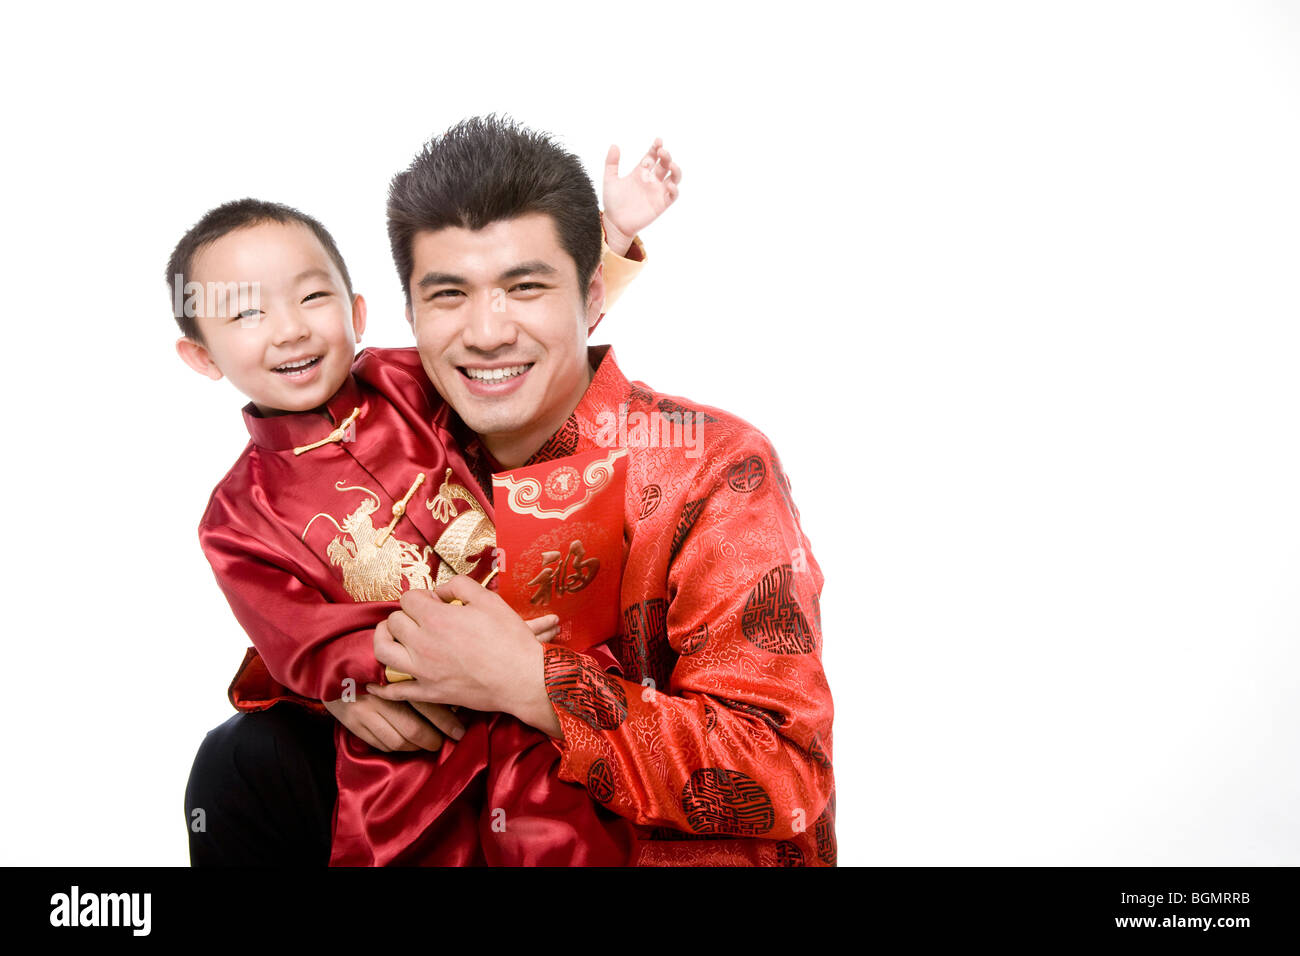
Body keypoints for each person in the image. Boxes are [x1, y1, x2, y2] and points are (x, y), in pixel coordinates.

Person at [178, 138, 681, 865]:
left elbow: (523, 342)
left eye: (312, 297)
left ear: (356, 311)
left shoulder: (412, 382)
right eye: (247, 315)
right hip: (417, 736)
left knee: (568, 831)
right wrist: (379, 672)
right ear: (201, 355)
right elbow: (298, 640)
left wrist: (614, 233)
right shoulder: (237, 515)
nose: (290, 329)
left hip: (546, 669)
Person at [366, 115, 835, 865]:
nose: (485, 332)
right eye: (449, 294)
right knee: (250, 758)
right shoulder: (403, 456)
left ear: (591, 298)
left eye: (525, 287)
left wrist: (535, 684)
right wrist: (344, 678)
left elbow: (782, 772)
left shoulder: (711, 466)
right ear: (412, 315)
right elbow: (298, 597)